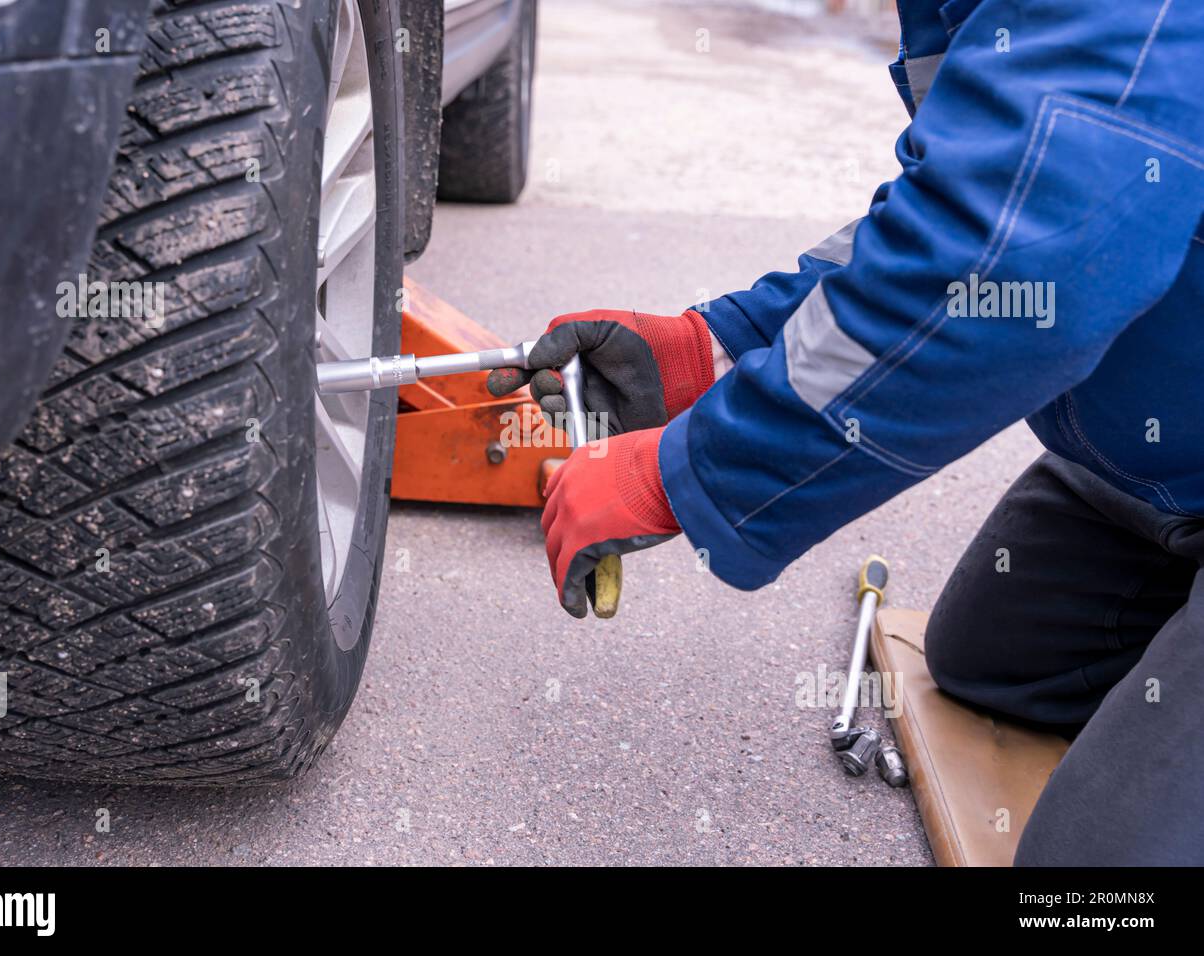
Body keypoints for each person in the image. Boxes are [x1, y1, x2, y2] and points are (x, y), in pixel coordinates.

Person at [488, 0, 1204, 865]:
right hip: (1165, 473)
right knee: (990, 665)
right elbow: (949, 211)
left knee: (1091, 890)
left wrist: (695, 471)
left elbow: (1012, 261)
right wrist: (711, 350)